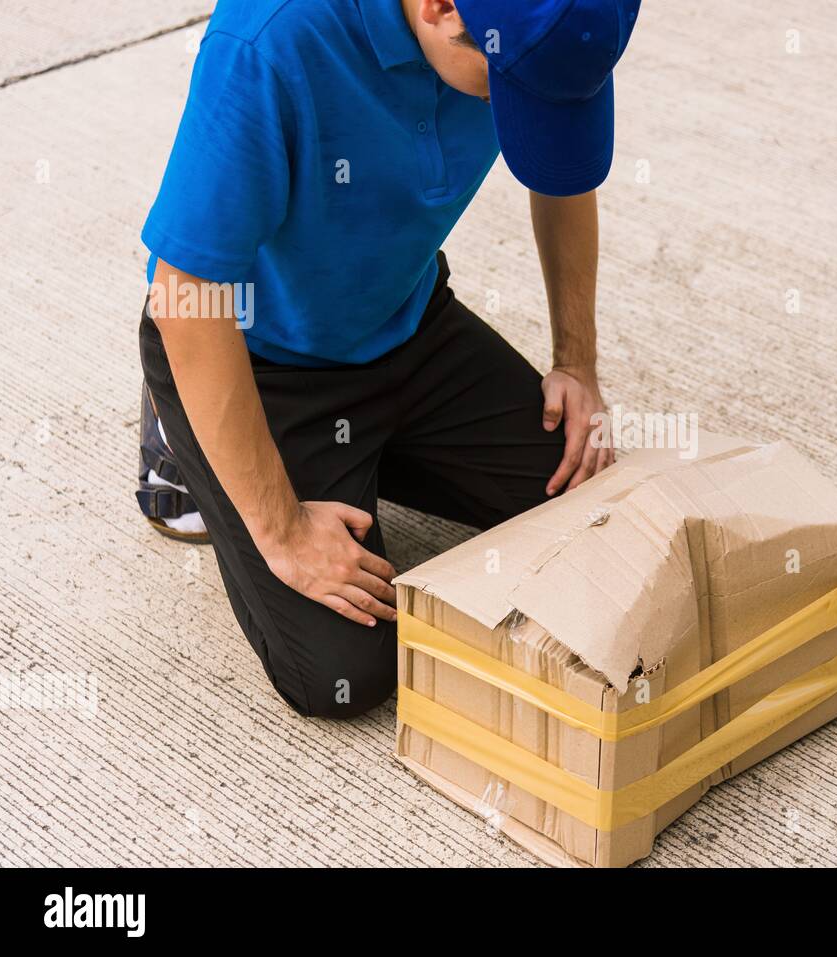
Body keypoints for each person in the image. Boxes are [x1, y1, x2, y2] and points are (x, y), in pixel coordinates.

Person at [135, 0, 642, 717]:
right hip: (262, 359)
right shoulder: (270, 39)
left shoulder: (549, 24)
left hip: (405, 322)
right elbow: (187, 292)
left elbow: (561, 168)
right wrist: (281, 528)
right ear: (439, 8)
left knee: (585, 492)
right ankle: (181, 431)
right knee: (344, 672)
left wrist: (577, 362)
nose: (523, 110)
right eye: (510, 90)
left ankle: (370, 452)